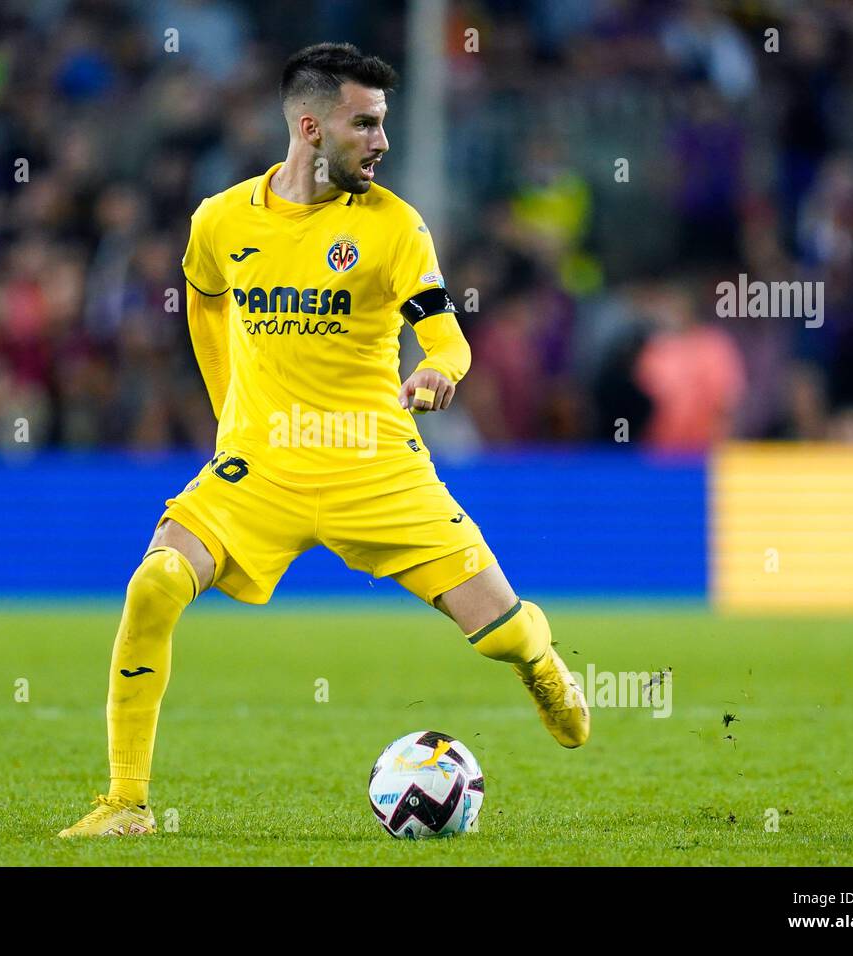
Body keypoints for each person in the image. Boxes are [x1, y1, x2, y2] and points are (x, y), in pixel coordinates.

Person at [59, 43, 588, 838]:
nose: (381, 141)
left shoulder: (393, 226)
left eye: (384, 125)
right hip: (260, 466)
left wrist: (440, 372)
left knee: (501, 632)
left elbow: (447, 337)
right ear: (310, 126)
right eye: (365, 124)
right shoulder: (221, 220)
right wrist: (229, 408)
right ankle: (126, 804)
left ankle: (540, 662)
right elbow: (204, 304)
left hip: (376, 465)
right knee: (154, 584)